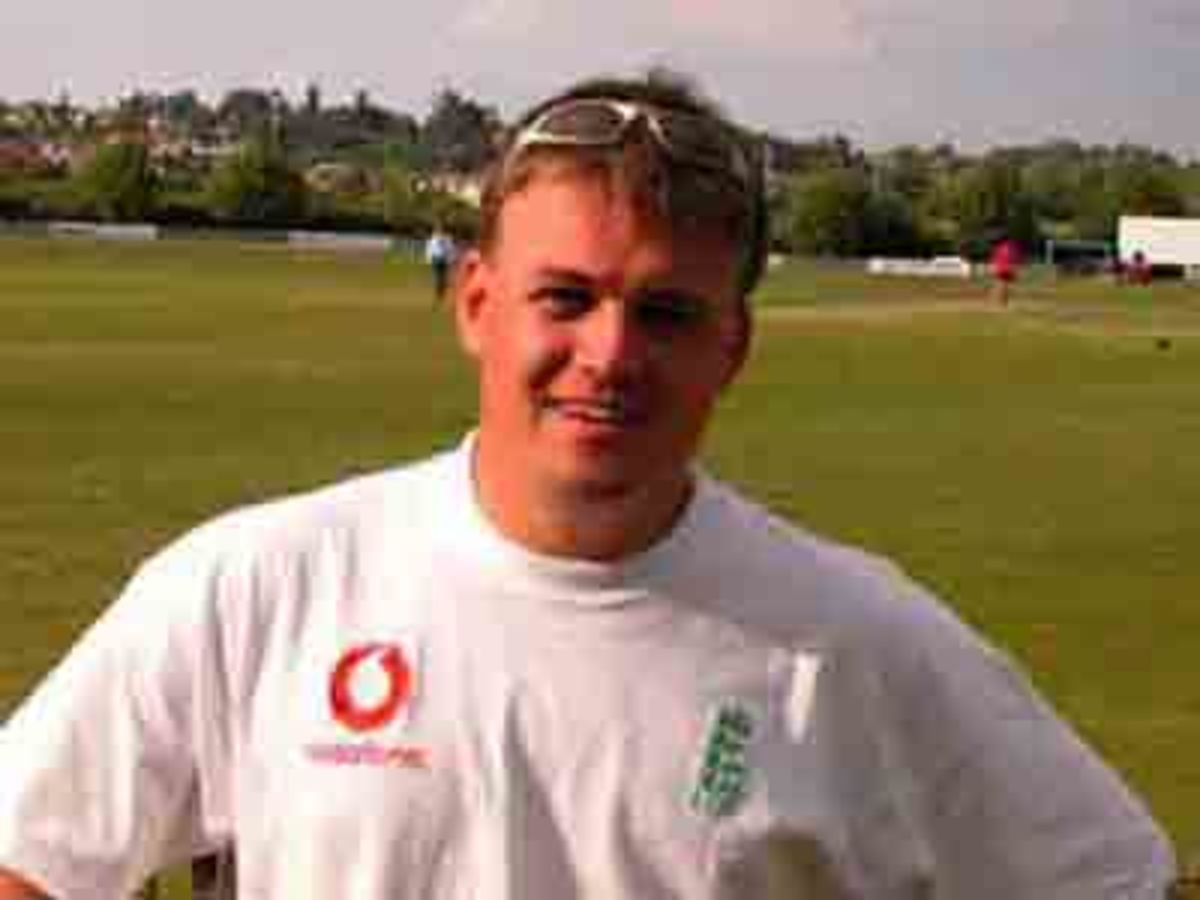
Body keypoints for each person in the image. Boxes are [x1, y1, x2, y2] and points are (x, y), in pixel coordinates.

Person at [0, 73, 1178, 899]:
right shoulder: (256, 588)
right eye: (565, 298)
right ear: (476, 306)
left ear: (733, 347)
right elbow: (31, 854)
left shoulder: (861, 644)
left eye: (666, 313)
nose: (610, 355)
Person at [423, 224, 456, 302]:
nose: (440, 232)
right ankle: (439, 293)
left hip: (444, 259)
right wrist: (428, 259)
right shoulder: (432, 240)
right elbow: (429, 250)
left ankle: (442, 292)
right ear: (436, 231)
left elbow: (451, 249)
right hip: (436, 259)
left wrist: (451, 259)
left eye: (441, 230)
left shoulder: (448, 239)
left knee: (444, 277)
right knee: (439, 277)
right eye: (438, 230)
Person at [989, 236, 1021, 306]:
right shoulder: (1010, 246)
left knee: (1000, 285)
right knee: (1003, 285)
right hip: (1007, 268)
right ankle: (1002, 302)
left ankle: (1000, 302)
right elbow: (1015, 257)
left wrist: (993, 266)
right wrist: (1015, 267)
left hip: (1002, 268)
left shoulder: (1000, 247)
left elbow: (996, 257)